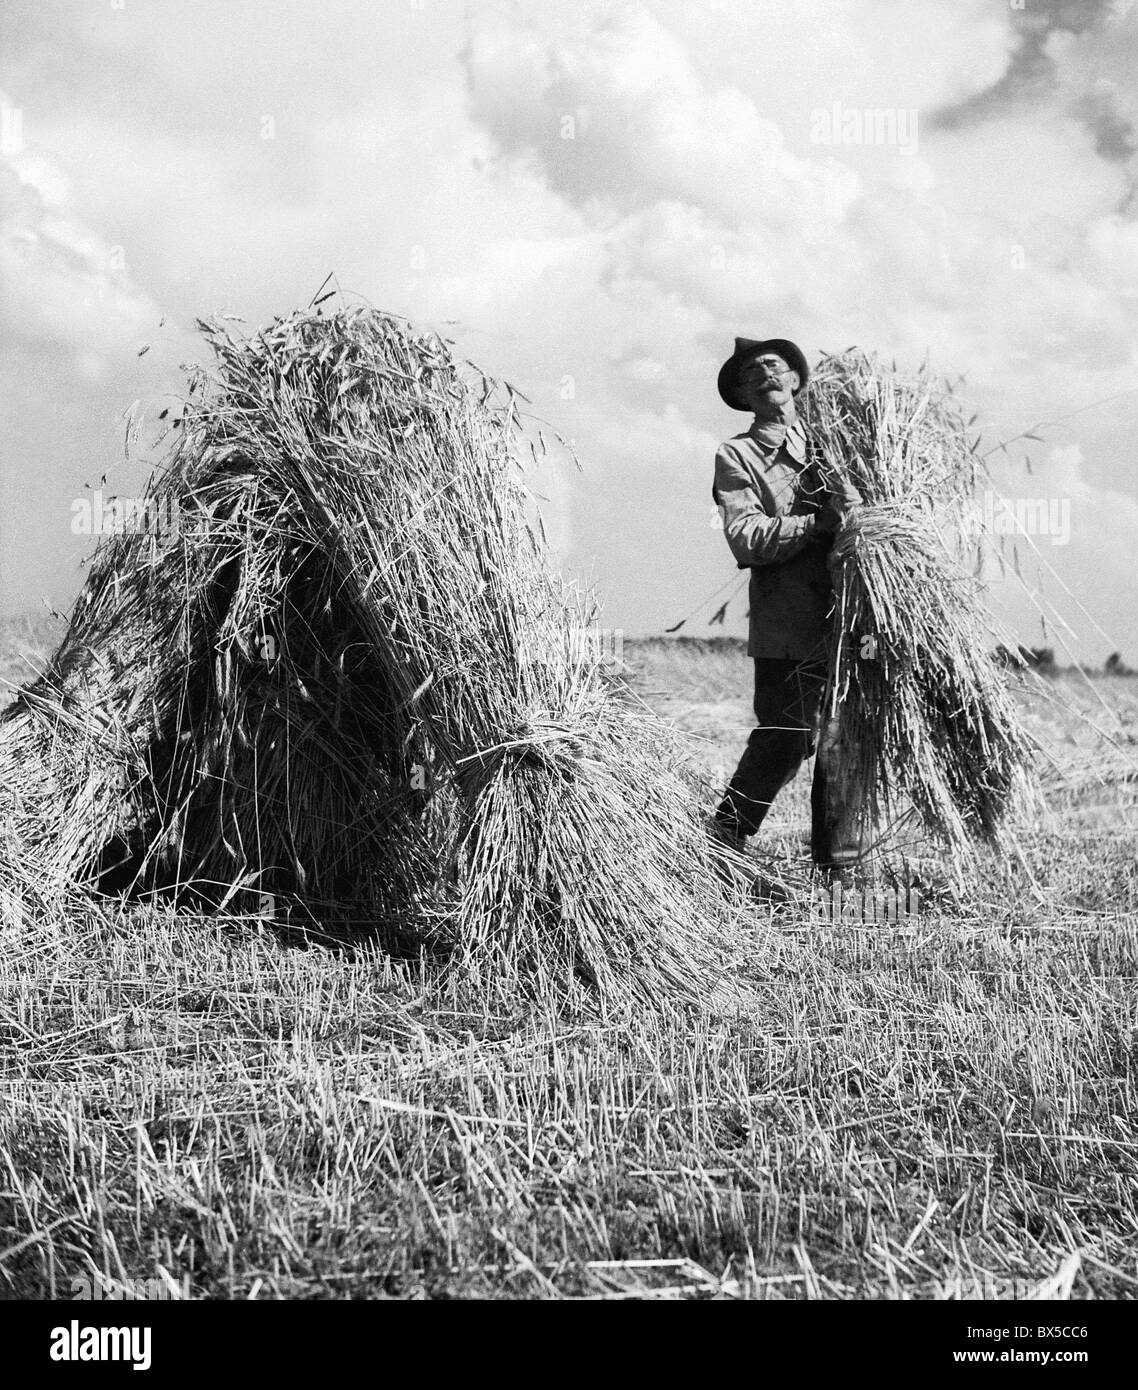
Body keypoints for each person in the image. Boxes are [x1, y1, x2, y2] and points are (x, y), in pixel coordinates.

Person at [709, 336, 866, 883]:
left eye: (774, 367)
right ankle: (725, 839)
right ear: (743, 397)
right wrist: (813, 525)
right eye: (750, 375)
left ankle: (838, 871)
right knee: (788, 733)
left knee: (845, 739)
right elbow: (746, 536)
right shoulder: (738, 456)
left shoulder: (841, 443)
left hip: (853, 617)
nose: (764, 376)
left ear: (797, 381)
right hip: (788, 622)